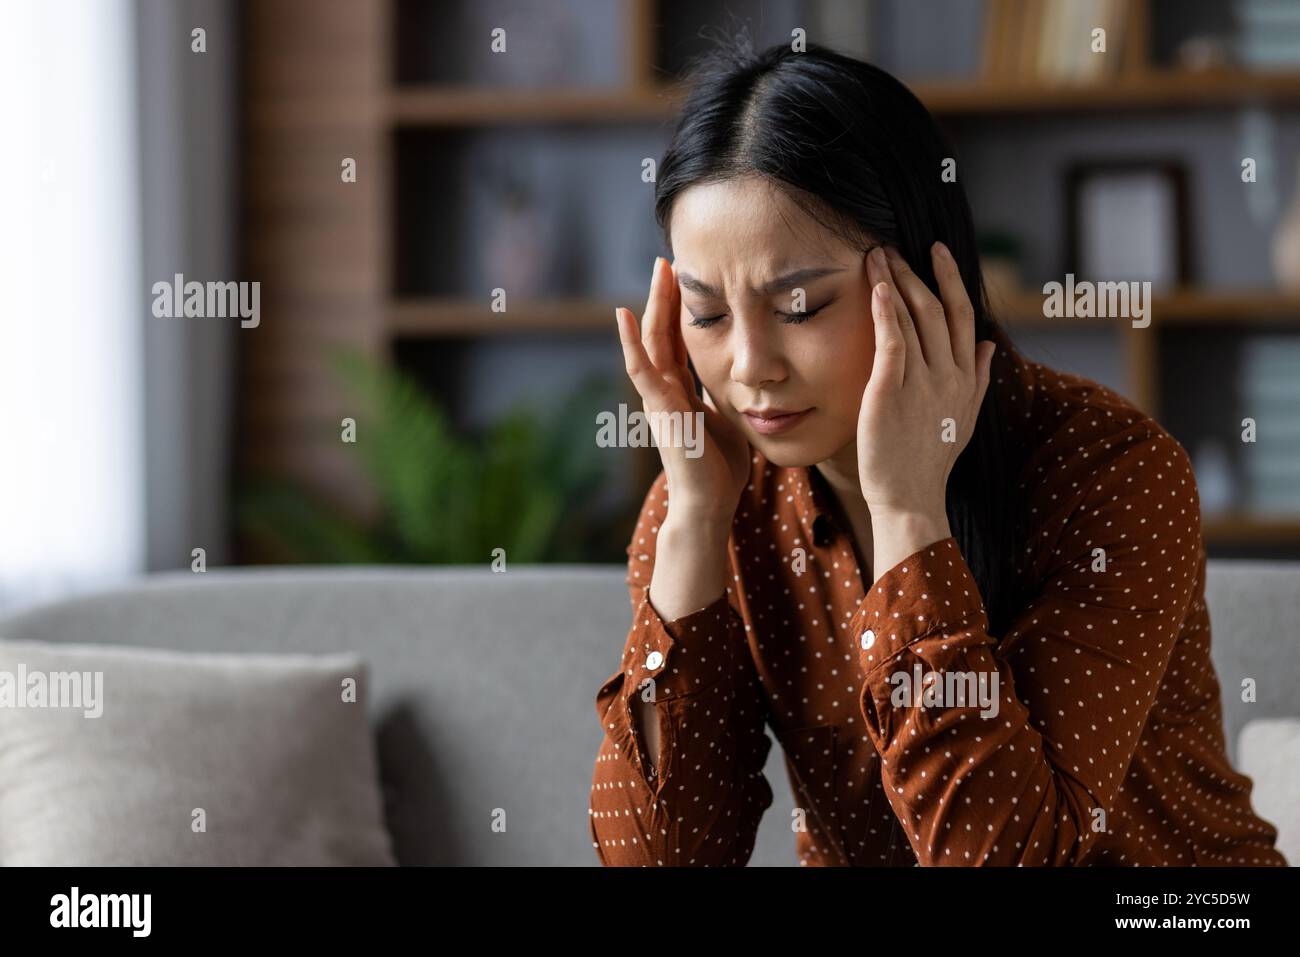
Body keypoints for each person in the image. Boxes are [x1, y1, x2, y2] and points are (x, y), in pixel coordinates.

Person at [589, 37, 1287, 867]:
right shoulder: (710, 501)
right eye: (706, 314)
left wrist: (907, 510)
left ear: (924, 285)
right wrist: (695, 521)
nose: (749, 367)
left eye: (801, 304)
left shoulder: (1112, 473)